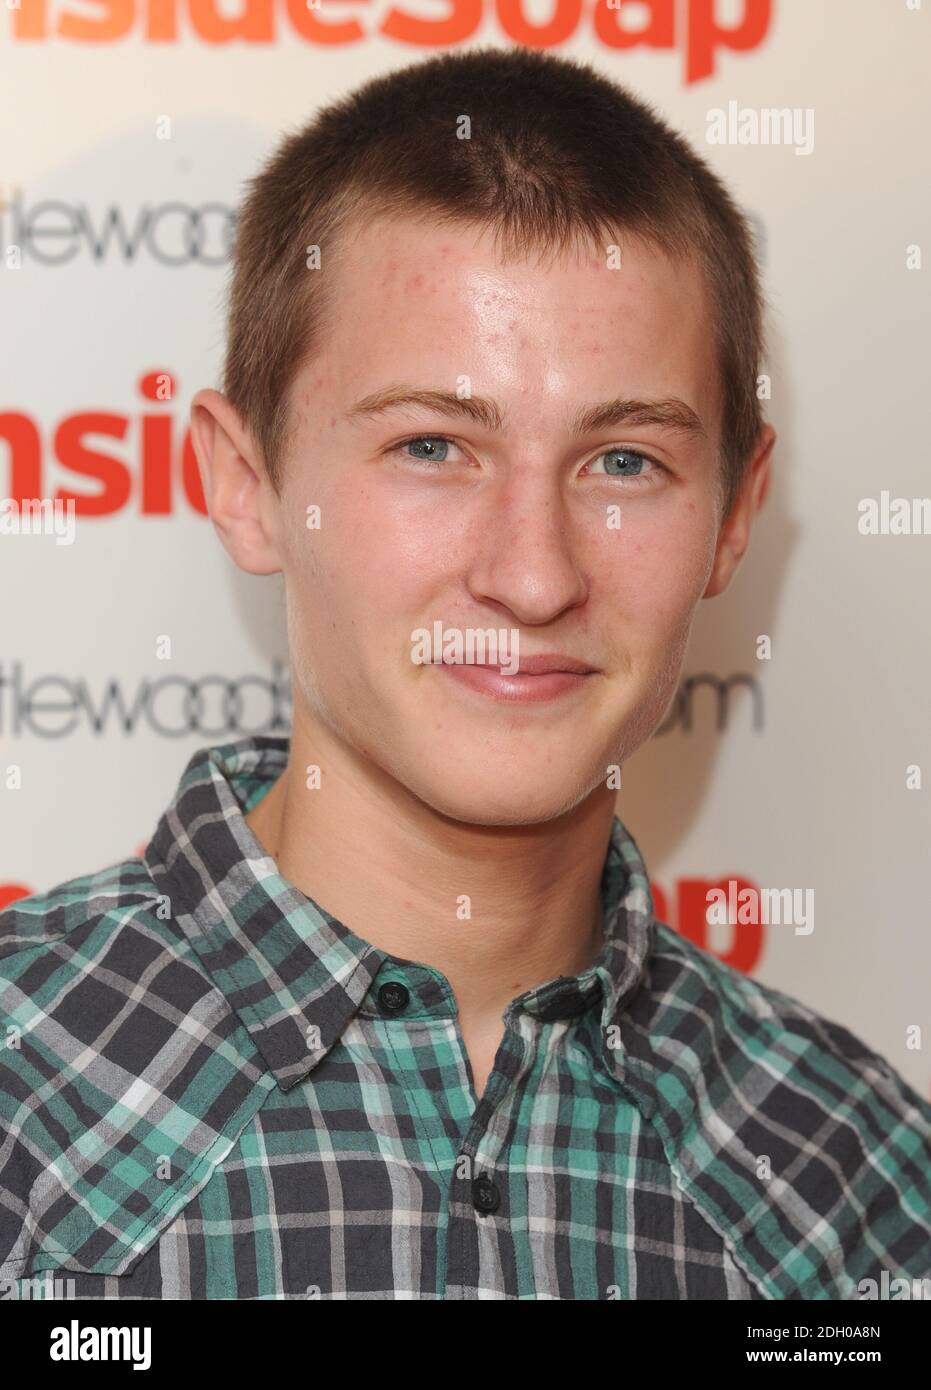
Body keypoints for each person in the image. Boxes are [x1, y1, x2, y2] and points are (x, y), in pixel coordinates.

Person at [1, 46, 928, 1302]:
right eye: (432, 444)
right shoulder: (20, 1092)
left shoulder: (859, 1182)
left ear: (732, 513)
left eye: (623, 462)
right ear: (245, 484)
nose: (533, 576)